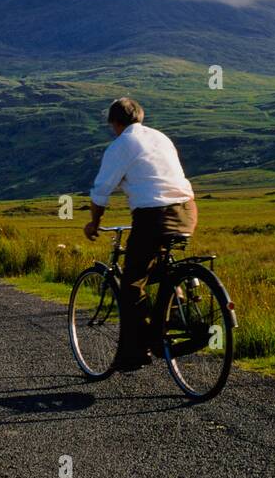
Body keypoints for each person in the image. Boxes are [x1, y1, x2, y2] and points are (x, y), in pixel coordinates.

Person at [83, 97, 198, 371]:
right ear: (140, 117)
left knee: (132, 282)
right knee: (157, 265)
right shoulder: (161, 137)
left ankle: (142, 346)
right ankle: (176, 300)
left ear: (115, 123)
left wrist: (93, 223)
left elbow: (101, 192)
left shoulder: (121, 145)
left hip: (153, 217)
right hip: (187, 211)